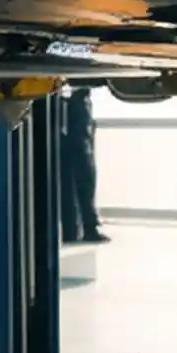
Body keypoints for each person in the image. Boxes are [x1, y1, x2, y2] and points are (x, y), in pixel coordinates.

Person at [59, 85, 110, 244]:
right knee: (82, 166)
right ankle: (84, 225)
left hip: (63, 99)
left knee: (73, 167)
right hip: (72, 98)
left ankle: (74, 226)